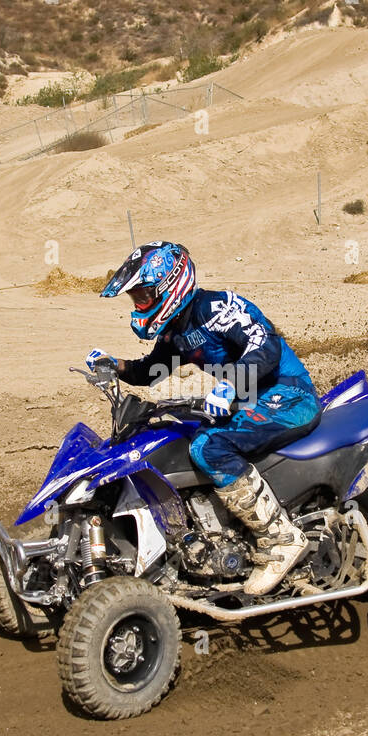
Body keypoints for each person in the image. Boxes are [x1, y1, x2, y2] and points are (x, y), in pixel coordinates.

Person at [87, 241, 320, 595]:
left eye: (144, 296)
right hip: (246, 401)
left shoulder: (219, 308)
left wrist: (229, 384)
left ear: (169, 285)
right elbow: (149, 370)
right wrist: (114, 365)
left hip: (289, 397)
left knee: (208, 447)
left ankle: (280, 540)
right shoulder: (176, 331)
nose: (139, 306)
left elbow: (266, 348)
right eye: (136, 299)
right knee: (173, 429)